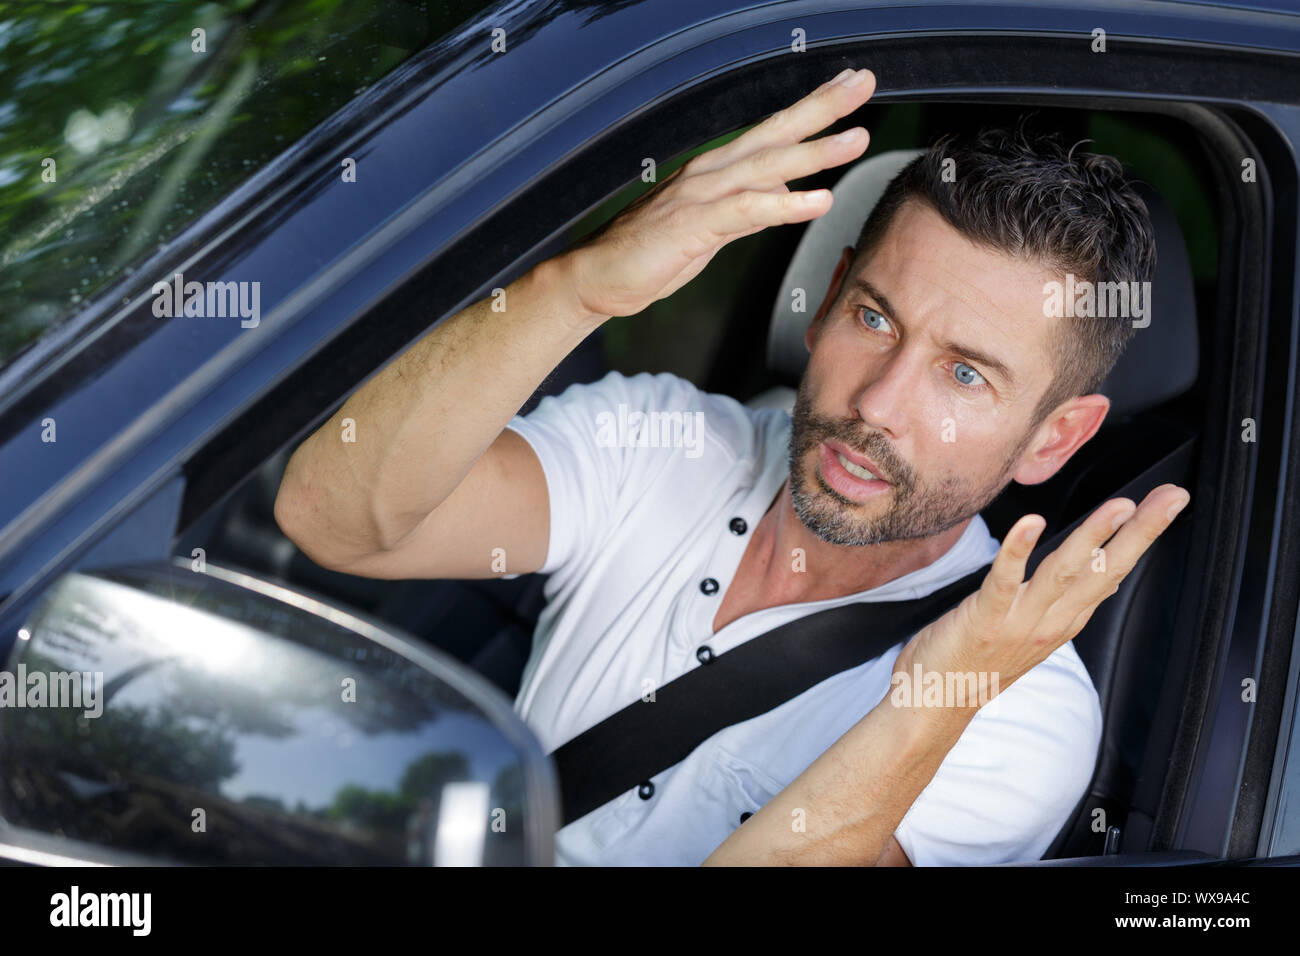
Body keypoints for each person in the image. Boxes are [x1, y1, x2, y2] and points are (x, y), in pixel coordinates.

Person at [273, 67, 1190, 866]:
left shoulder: (1017, 705)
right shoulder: (660, 439)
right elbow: (332, 517)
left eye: (963, 374)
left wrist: (934, 699)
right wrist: (576, 288)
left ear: (1051, 440)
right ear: (824, 305)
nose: (877, 404)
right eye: (875, 318)